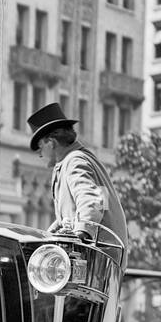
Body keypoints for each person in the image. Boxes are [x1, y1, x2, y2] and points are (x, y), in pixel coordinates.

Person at [27, 102, 128, 252]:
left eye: (40, 147)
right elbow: (100, 202)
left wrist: (79, 235)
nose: (40, 154)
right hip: (107, 259)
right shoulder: (82, 158)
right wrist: (49, 235)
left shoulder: (74, 161)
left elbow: (92, 202)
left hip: (95, 260)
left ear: (51, 142)